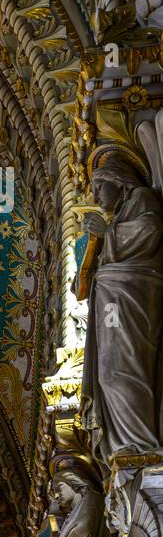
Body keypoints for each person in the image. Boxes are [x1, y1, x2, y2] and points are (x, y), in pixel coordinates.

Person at [79, 152, 163, 462]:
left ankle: (141, 444)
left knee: (123, 369)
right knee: (108, 374)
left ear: (118, 182)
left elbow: (151, 231)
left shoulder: (141, 197)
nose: (96, 195)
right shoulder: (123, 212)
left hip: (132, 295)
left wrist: (108, 233)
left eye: (100, 187)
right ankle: (126, 445)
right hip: (113, 300)